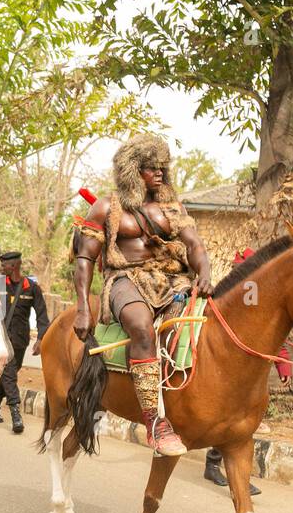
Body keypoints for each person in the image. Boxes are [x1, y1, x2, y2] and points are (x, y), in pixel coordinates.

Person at [71, 135, 213, 457]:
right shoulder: (106, 207)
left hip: (173, 280)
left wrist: (204, 274)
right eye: (151, 168)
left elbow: (194, 246)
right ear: (133, 170)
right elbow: (84, 260)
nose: (160, 173)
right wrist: (82, 308)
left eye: (163, 167)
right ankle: (154, 421)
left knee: (209, 322)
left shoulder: (172, 208)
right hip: (125, 279)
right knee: (140, 326)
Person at [0, 251, 51, 434]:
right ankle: (16, 413)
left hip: (21, 339)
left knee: (11, 372)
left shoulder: (31, 287)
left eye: (4, 265)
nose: (1, 268)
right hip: (1, 338)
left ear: (13, 266)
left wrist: (40, 338)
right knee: (10, 373)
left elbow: (42, 315)